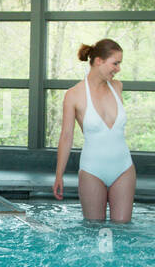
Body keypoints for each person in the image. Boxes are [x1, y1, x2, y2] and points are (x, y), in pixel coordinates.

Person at [53, 39, 136, 223]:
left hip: (124, 169)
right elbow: (66, 137)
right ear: (99, 61)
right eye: (115, 63)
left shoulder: (117, 87)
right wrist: (59, 175)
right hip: (92, 171)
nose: (118, 69)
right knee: (92, 230)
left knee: (123, 230)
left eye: (119, 64)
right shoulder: (74, 94)